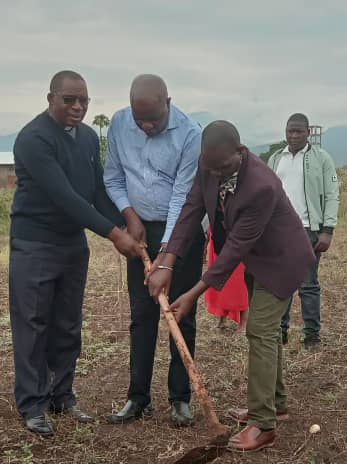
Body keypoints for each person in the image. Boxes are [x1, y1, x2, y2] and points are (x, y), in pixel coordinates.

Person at [148, 121, 314, 452]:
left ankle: (263, 424)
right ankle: (276, 404)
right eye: (211, 168)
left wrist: (193, 294)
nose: (217, 174)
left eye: (223, 168)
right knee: (266, 334)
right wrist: (167, 262)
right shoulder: (209, 164)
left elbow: (235, 247)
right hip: (256, 259)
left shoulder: (261, 186)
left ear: (240, 152)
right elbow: (191, 209)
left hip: (282, 261)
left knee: (260, 332)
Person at [9, 70, 145, 437]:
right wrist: (114, 235)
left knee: (68, 323)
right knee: (33, 324)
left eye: (83, 100)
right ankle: (33, 405)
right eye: (69, 99)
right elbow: (65, 197)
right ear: (50, 98)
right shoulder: (34, 139)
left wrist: (126, 220)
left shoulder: (86, 137)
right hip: (35, 243)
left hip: (72, 244)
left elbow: (96, 190)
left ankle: (62, 396)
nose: (78, 107)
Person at [103, 74, 204, 427]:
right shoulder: (119, 123)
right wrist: (130, 216)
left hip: (182, 230)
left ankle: (180, 399)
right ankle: (137, 397)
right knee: (142, 314)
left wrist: (166, 255)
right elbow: (113, 177)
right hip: (139, 230)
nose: (146, 126)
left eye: (154, 120)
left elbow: (182, 198)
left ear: (168, 103)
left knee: (181, 313)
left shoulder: (190, 134)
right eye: (139, 119)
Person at [266, 113, 340, 350]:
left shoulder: (321, 158)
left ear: (308, 132)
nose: (294, 135)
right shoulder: (276, 159)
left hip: (309, 230)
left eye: (299, 131)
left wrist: (328, 230)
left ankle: (312, 336)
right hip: (280, 231)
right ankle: (280, 331)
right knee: (281, 283)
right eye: (291, 131)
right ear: (285, 132)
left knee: (308, 284)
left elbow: (332, 194)